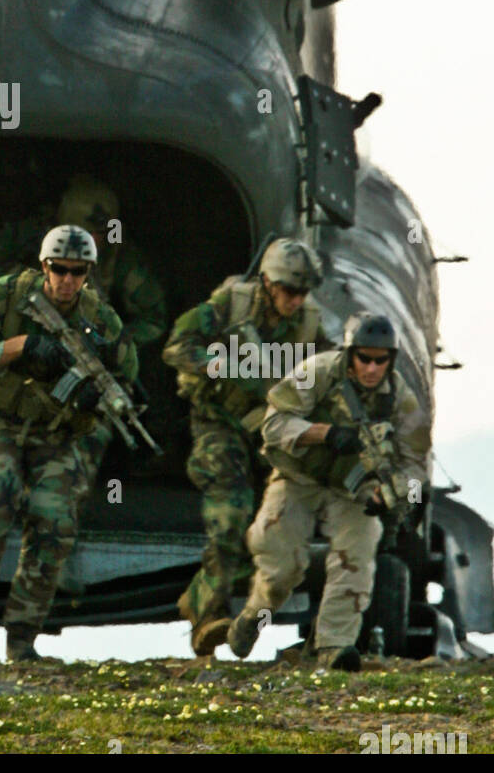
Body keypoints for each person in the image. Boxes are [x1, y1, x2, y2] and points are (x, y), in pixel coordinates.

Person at [0, 225, 139, 661]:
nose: (67, 280)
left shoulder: (100, 319)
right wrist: (17, 348)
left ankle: (23, 634)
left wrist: (95, 393)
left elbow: (125, 377)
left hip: (55, 434)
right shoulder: (5, 296)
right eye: (59, 270)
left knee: (54, 519)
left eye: (78, 272)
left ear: (89, 272)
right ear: (44, 267)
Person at [226, 314, 430, 670]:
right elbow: (273, 426)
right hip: (298, 478)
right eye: (364, 358)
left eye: (380, 360)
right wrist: (325, 434)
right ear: (350, 355)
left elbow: (416, 466)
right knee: (280, 570)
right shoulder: (318, 372)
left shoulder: (400, 398)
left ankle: (334, 646)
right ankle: (253, 620)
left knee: (359, 555)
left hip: (352, 492)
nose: (371, 367)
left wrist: (396, 495)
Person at [162, 238, 330, 655]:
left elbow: (331, 370)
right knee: (231, 508)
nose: (296, 300)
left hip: (269, 428)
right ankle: (207, 615)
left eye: (303, 292)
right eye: (290, 291)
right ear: (268, 284)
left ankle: (319, 634)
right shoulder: (228, 307)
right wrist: (218, 364)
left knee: (290, 514)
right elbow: (175, 347)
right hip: (218, 422)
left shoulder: (309, 324)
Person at [0, 174, 165, 500]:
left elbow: (153, 319)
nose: (97, 241)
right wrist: (24, 291)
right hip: (19, 358)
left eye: (102, 233)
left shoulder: (119, 259)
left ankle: (60, 503)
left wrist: (110, 346)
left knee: (90, 430)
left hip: (78, 365)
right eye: (88, 233)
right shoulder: (29, 240)